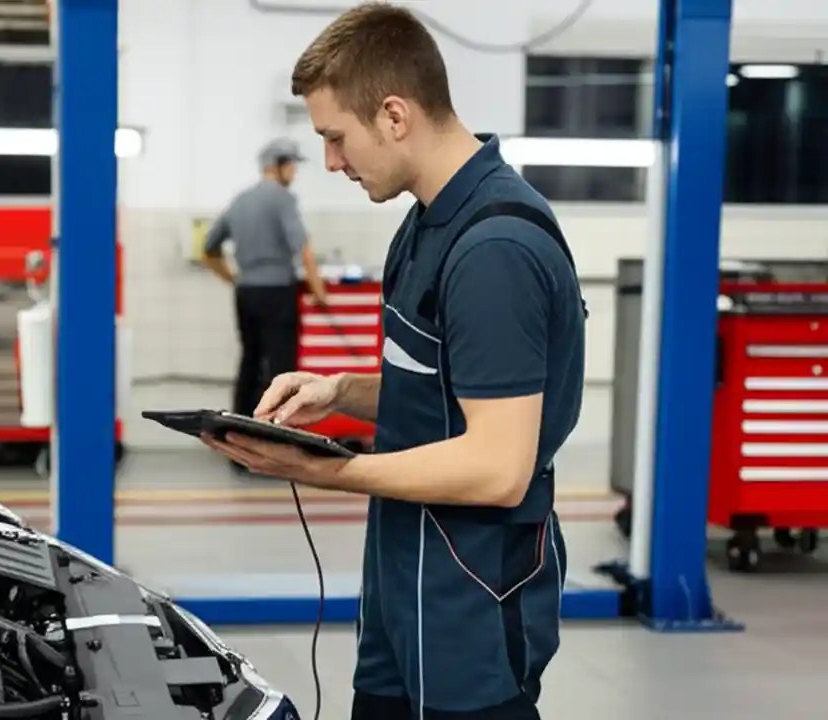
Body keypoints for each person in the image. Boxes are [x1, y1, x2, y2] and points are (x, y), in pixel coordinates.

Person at [201, 4, 586, 720]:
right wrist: (341, 390)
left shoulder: (494, 248)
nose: (332, 162)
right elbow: (449, 387)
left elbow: (499, 467)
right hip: (402, 575)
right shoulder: (423, 225)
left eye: (337, 138)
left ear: (395, 115)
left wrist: (323, 470)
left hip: (473, 595)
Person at [201, 138, 330, 434]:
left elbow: (208, 248)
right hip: (277, 294)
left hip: (246, 294)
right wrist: (319, 291)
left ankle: (238, 439)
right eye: (293, 166)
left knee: (249, 362)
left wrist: (233, 279)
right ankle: (276, 438)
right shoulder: (282, 199)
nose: (294, 173)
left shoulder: (240, 200)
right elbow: (303, 247)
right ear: (279, 165)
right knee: (281, 368)